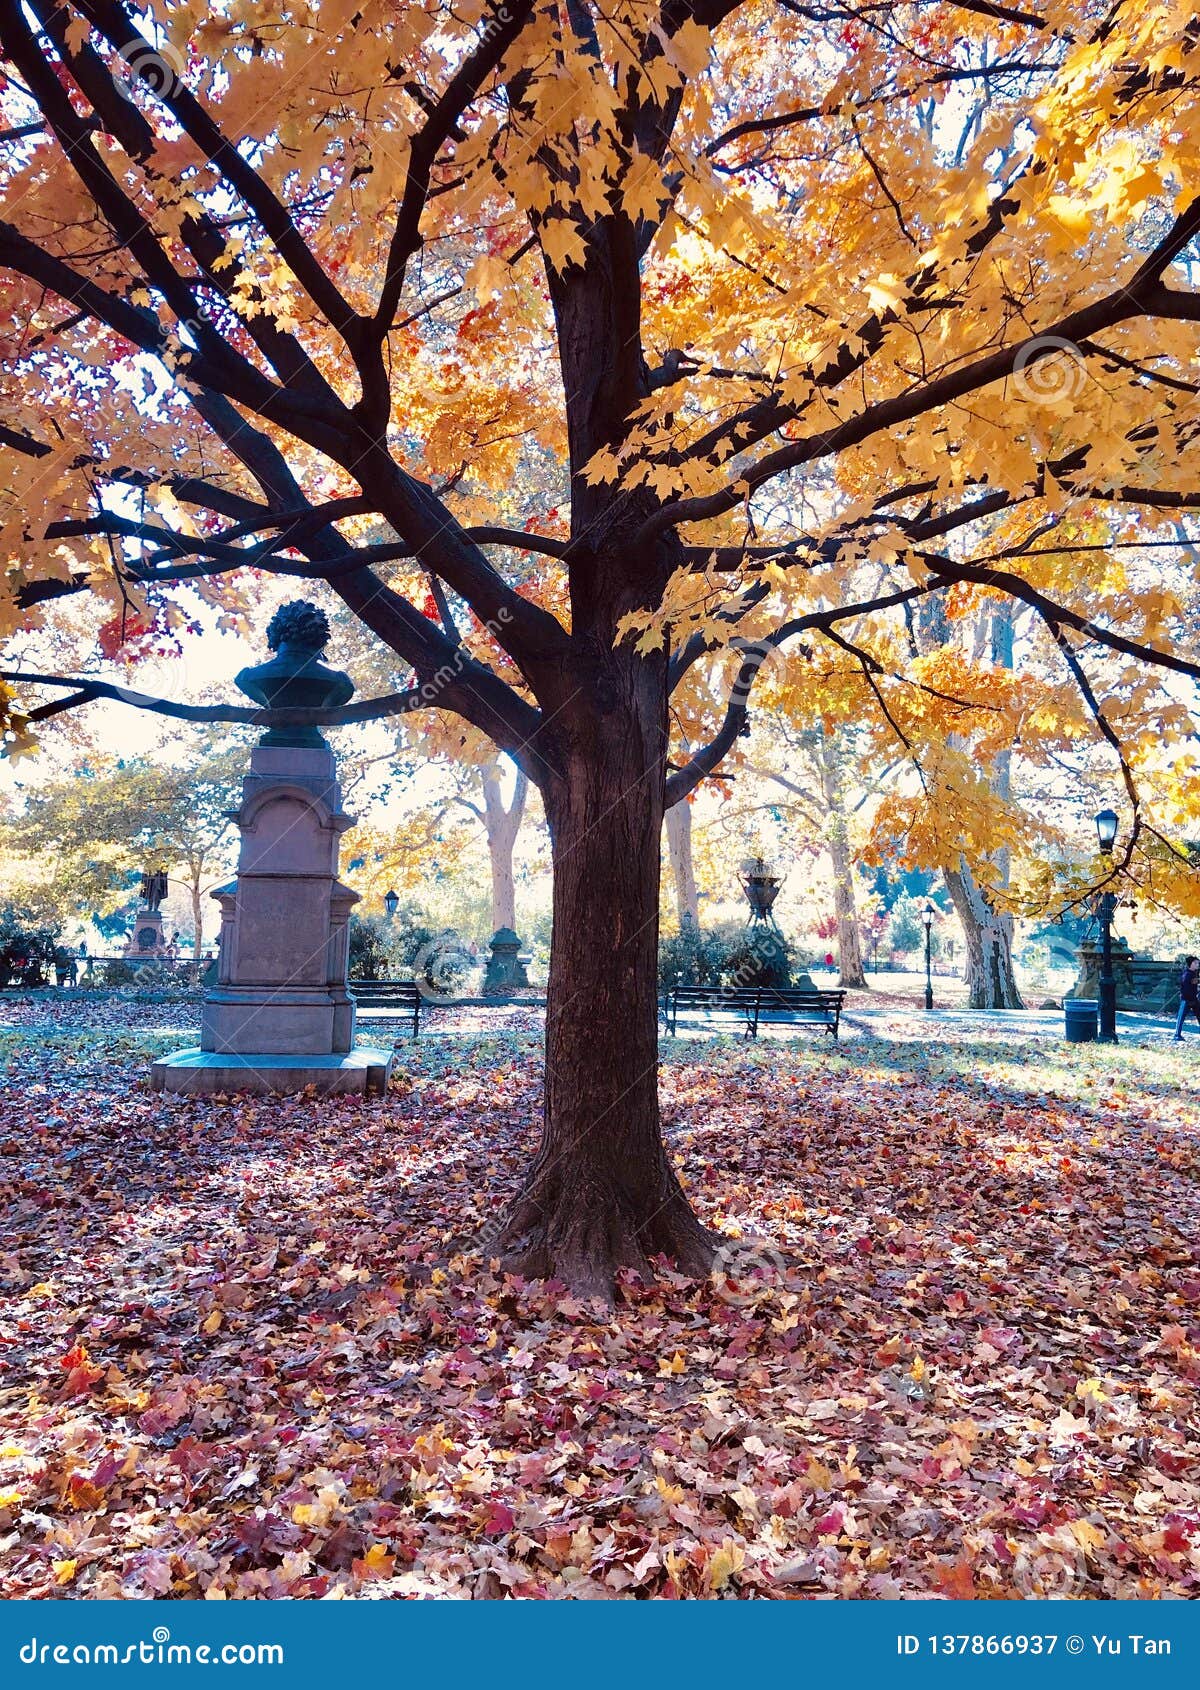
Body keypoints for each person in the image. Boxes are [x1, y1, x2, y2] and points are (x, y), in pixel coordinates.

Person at [1175, 956, 1200, 1041]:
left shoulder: (1195, 973)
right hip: (1186, 1000)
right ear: (1191, 964)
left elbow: (1195, 983)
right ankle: (1177, 1035)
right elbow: (1185, 988)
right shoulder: (1186, 974)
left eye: (1198, 963)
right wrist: (1187, 998)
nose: (1197, 964)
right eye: (1195, 963)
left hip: (1194, 999)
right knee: (1181, 1017)